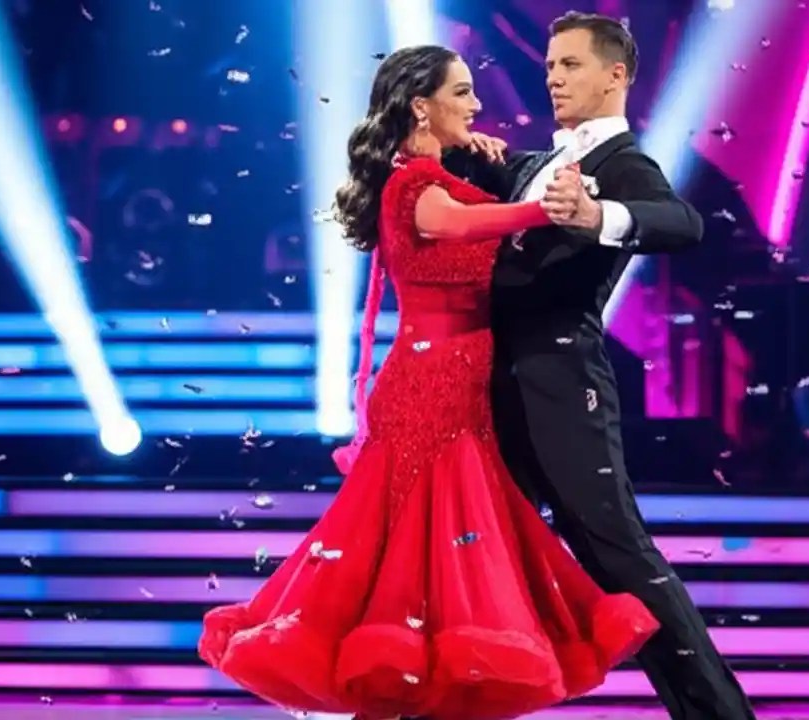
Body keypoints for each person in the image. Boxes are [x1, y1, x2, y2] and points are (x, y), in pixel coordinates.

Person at [198, 44, 659, 720]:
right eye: (463, 93)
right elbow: (459, 222)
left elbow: (466, 196)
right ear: (422, 105)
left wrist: (473, 149)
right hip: (429, 387)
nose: (477, 106)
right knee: (412, 550)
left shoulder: (433, 169)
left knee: (445, 555)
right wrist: (551, 209)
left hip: (461, 384)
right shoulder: (412, 186)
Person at [443, 11, 757, 720]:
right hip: (492, 392)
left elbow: (681, 221)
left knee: (620, 558)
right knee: (457, 545)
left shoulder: (622, 165)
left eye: (571, 65)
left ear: (617, 75)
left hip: (562, 391)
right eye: (550, 64)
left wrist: (597, 218)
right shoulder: (532, 163)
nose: (553, 77)